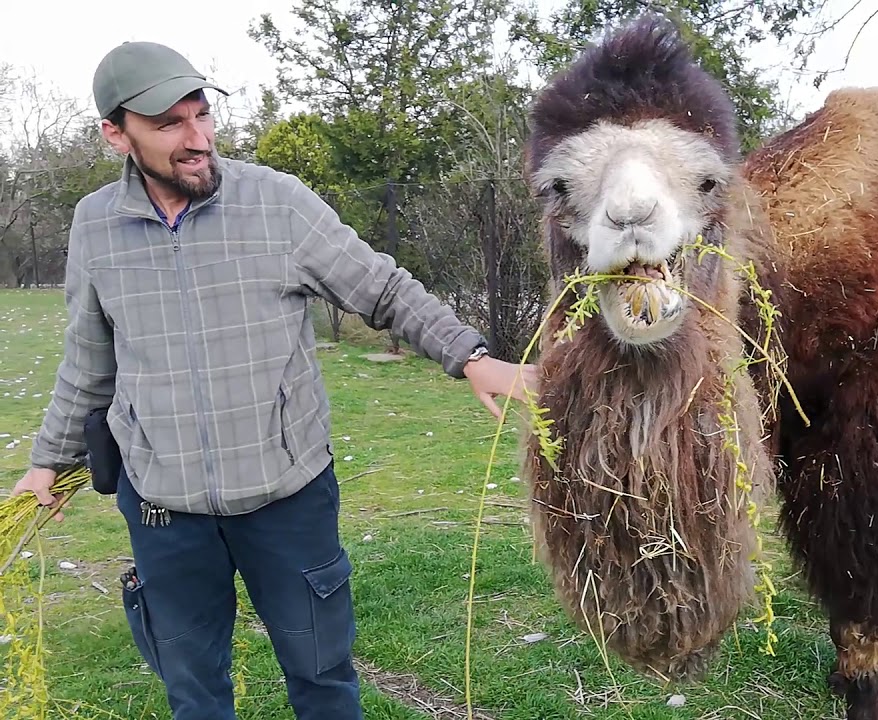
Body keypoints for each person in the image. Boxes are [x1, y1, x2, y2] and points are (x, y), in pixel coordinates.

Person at [8, 41, 536, 719]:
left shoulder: (278, 204)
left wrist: (471, 355)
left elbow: (383, 290)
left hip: (287, 498)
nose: (197, 139)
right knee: (193, 690)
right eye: (170, 124)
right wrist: (48, 464)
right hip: (163, 510)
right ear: (117, 134)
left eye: (201, 115)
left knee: (321, 678)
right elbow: (88, 360)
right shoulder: (94, 227)